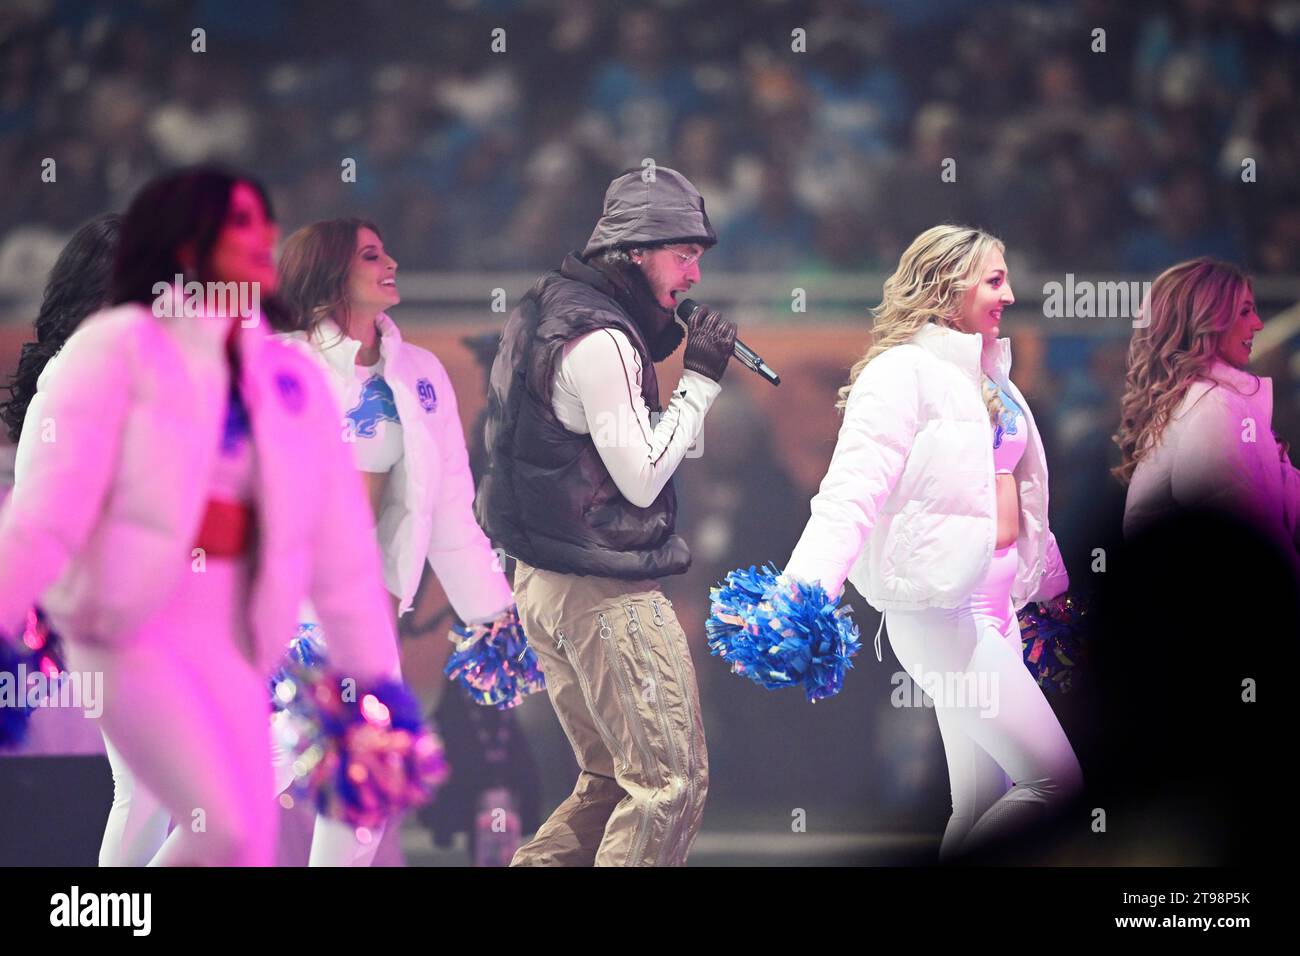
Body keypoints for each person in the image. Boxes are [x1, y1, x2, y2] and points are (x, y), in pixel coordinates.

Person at [0, 167, 400, 866]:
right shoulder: (90, 367)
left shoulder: (244, 370)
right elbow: (43, 521)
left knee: (202, 815)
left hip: (211, 630)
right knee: (205, 815)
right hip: (127, 630)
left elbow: (319, 539)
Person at [782, 224, 1083, 861]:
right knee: (1055, 783)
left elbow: (1022, 498)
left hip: (995, 608)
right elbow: (849, 493)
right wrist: (797, 598)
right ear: (948, 286)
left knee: (979, 803)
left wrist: (1049, 591)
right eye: (995, 280)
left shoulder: (992, 372)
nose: (1010, 293)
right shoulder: (900, 373)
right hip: (943, 613)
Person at [476, 166, 735, 866]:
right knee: (666, 787)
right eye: (683, 257)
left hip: (545, 581)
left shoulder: (541, 309)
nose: (694, 276)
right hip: (601, 593)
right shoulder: (600, 340)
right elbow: (643, 479)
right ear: (633, 252)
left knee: (609, 784)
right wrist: (702, 382)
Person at [275, 217, 518, 864]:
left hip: (369, 621)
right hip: (282, 615)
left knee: (360, 798)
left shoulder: (420, 371)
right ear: (330, 275)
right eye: (372, 256)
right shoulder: (276, 366)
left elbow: (449, 514)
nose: (394, 264)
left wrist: (493, 618)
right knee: (231, 808)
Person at [1114, 256, 1300, 552]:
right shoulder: (1213, 409)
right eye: (1245, 312)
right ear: (1206, 321)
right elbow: (1235, 549)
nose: (1258, 325)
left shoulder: (1210, 402)